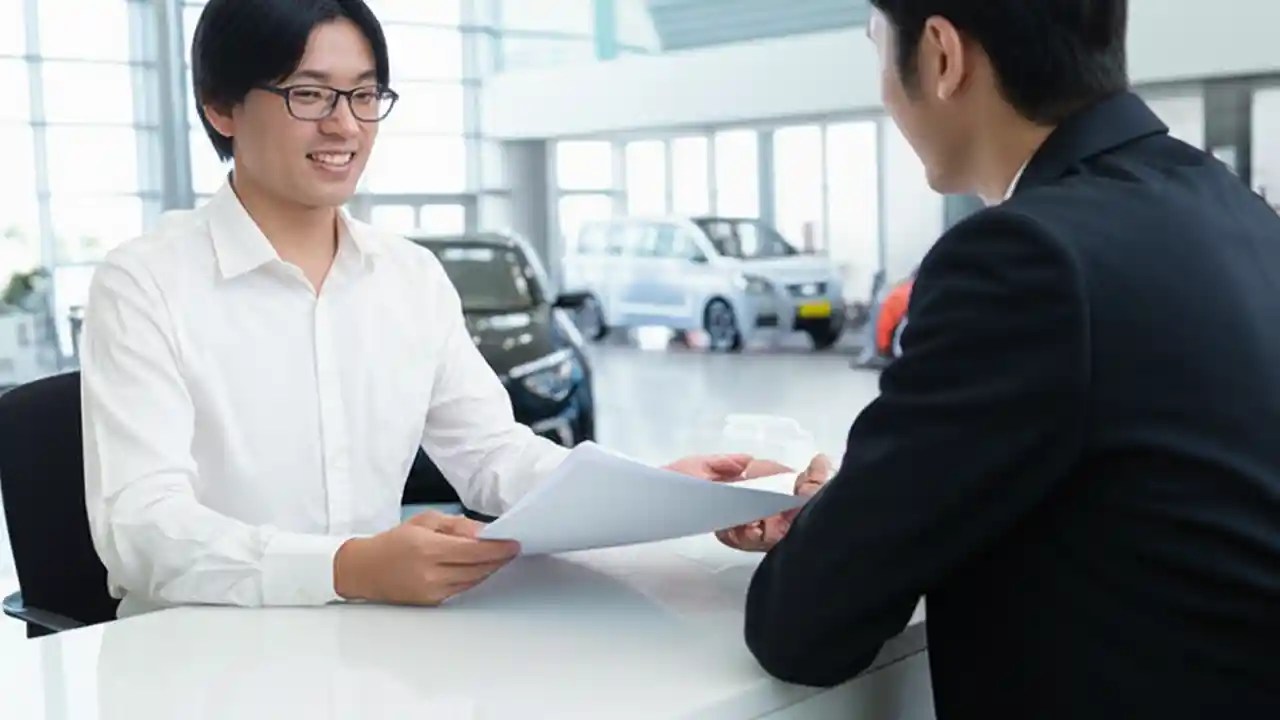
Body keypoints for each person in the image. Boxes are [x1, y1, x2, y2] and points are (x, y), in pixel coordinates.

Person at [79, 0, 750, 618]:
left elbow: (495, 455)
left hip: (377, 643)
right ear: (221, 107)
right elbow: (141, 527)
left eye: (365, 94)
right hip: (194, 658)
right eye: (308, 94)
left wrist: (656, 494)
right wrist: (348, 566)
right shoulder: (145, 282)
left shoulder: (408, 277)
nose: (344, 124)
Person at [719, 1, 1280, 716]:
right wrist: (862, 500)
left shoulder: (1027, 259)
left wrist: (840, 519)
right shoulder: (1231, 208)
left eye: (877, 52)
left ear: (943, 56)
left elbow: (802, 628)